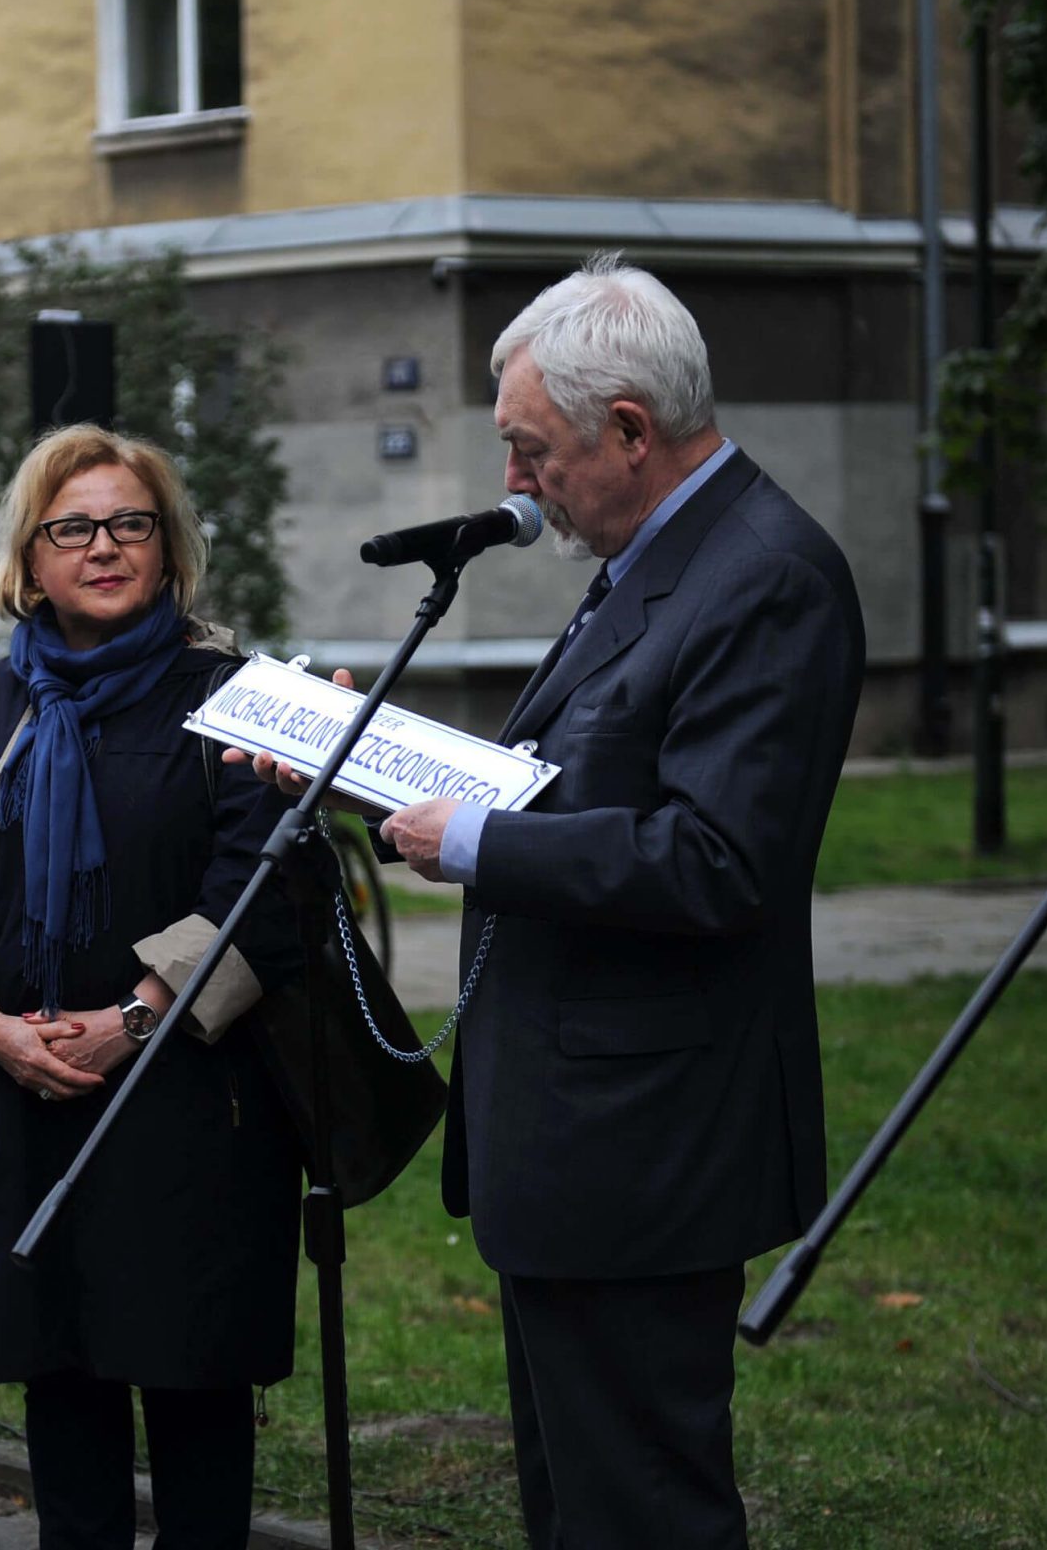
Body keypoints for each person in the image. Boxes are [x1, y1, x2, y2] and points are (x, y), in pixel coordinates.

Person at [252, 255, 865, 1548]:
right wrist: (363, 763)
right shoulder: (665, 551)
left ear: (630, 432)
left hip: (646, 1151)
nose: (515, 487)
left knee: (640, 1509)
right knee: (573, 1507)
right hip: (574, 1142)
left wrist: (472, 841)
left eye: (532, 453)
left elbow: (717, 861)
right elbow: (575, 781)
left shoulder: (766, 574)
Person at [0, 424, 303, 1550]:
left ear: (169, 552)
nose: (105, 546)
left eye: (132, 524)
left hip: (188, 1110)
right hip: (24, 1099)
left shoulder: (238, 700)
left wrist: (135, 1017)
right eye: (72, 527)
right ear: (30, 558)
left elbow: (259, 893)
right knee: (61, 1383)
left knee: (193, 1393)